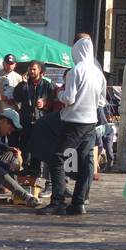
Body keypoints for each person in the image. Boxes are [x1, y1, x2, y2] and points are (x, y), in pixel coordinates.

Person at [46, 34, 105, 215]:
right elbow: (102, 102)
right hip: (91, 121)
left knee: (57, 158)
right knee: (85, 160)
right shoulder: (98, 73)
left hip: (74, 121)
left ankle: (57, 201)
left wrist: (59, 93)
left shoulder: (75, 71)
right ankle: (79, 202)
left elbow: (69, 98)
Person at [12, 60, 55, 181]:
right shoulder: (25, 84)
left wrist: (45, 103)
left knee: (38, 148)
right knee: (25, 147)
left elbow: (54, 101)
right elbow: (17, 97)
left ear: (40, 71)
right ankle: (27, 170)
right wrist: (22, 84)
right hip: (26, 120)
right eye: (30, 69)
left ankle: (36, 173)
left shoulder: (47, 85)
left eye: (34, 69)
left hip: (41, 121)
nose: (31, 71)